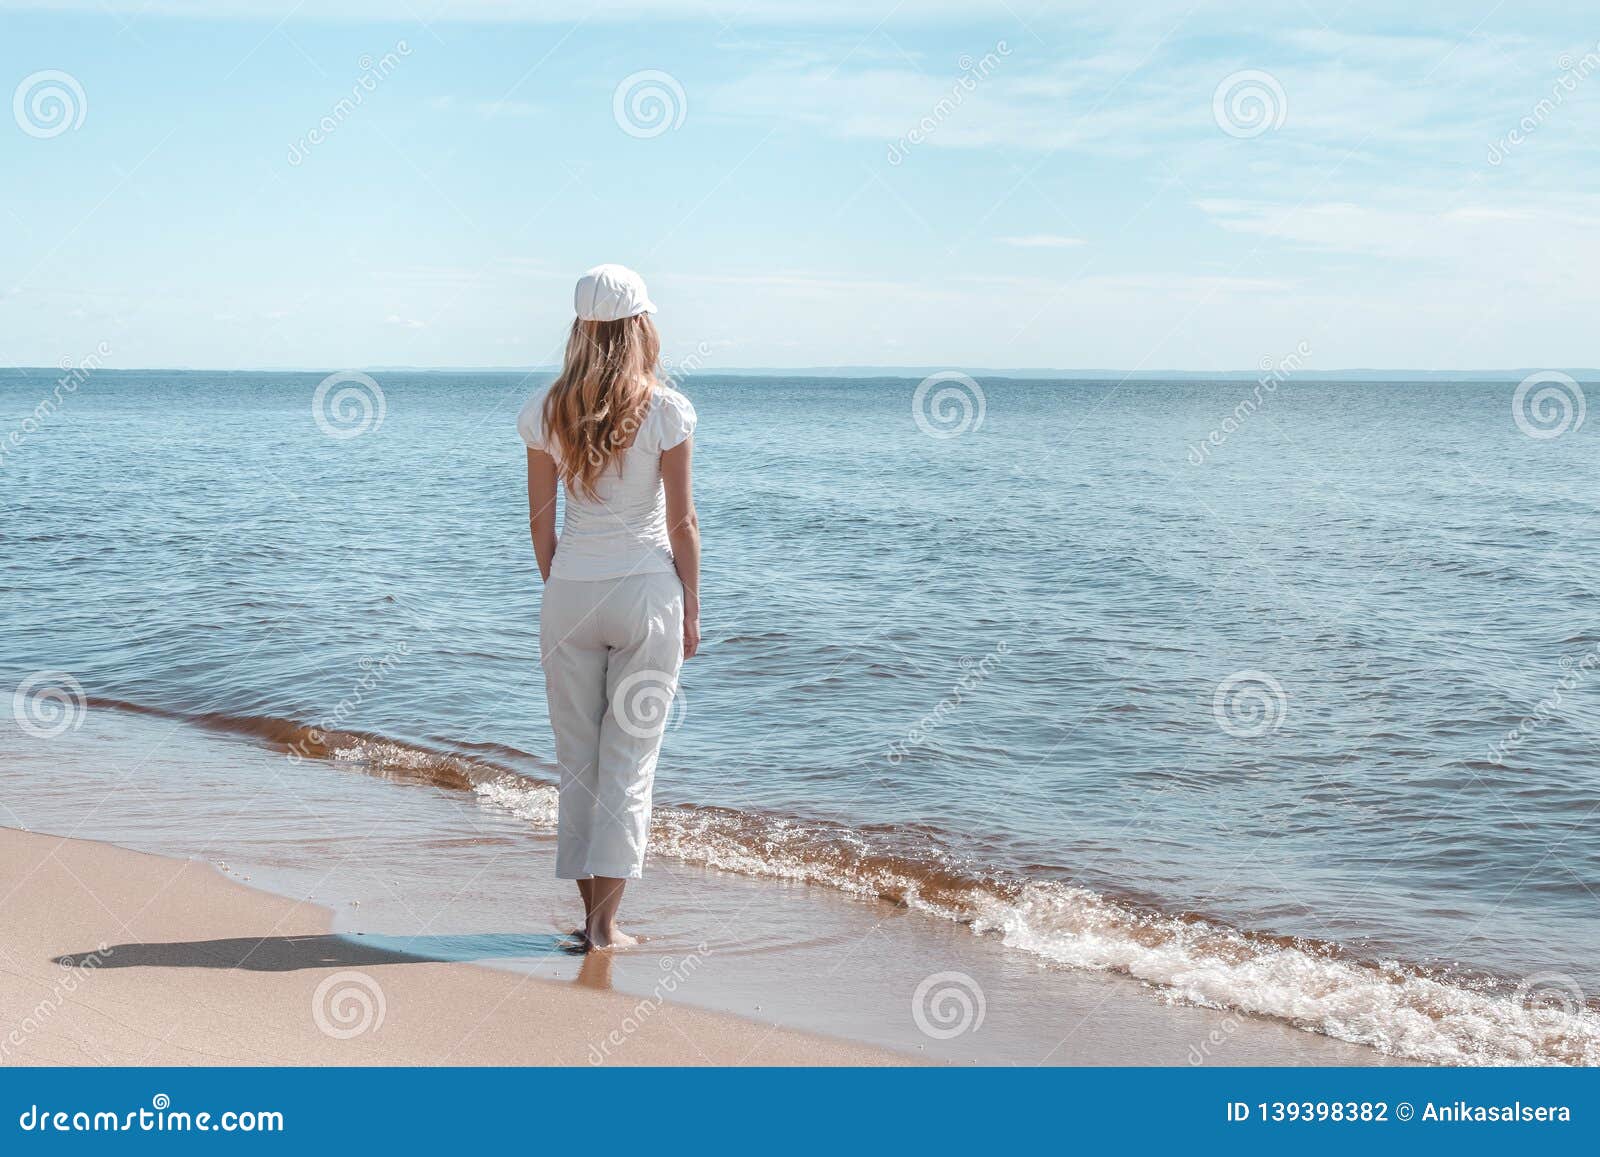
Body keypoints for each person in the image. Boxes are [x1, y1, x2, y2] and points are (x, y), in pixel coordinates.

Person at [518, 264, 700, 950]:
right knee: (630, 762)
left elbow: (542, 524)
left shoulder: (543, 410)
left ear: (580, 330)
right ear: (640, 328)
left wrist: (562, 585)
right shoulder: (665, 410)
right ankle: (605, 928)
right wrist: (692, 608)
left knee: (580, 762)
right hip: (647, 596)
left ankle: (588, 919)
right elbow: (683, 525)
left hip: (569, 597)